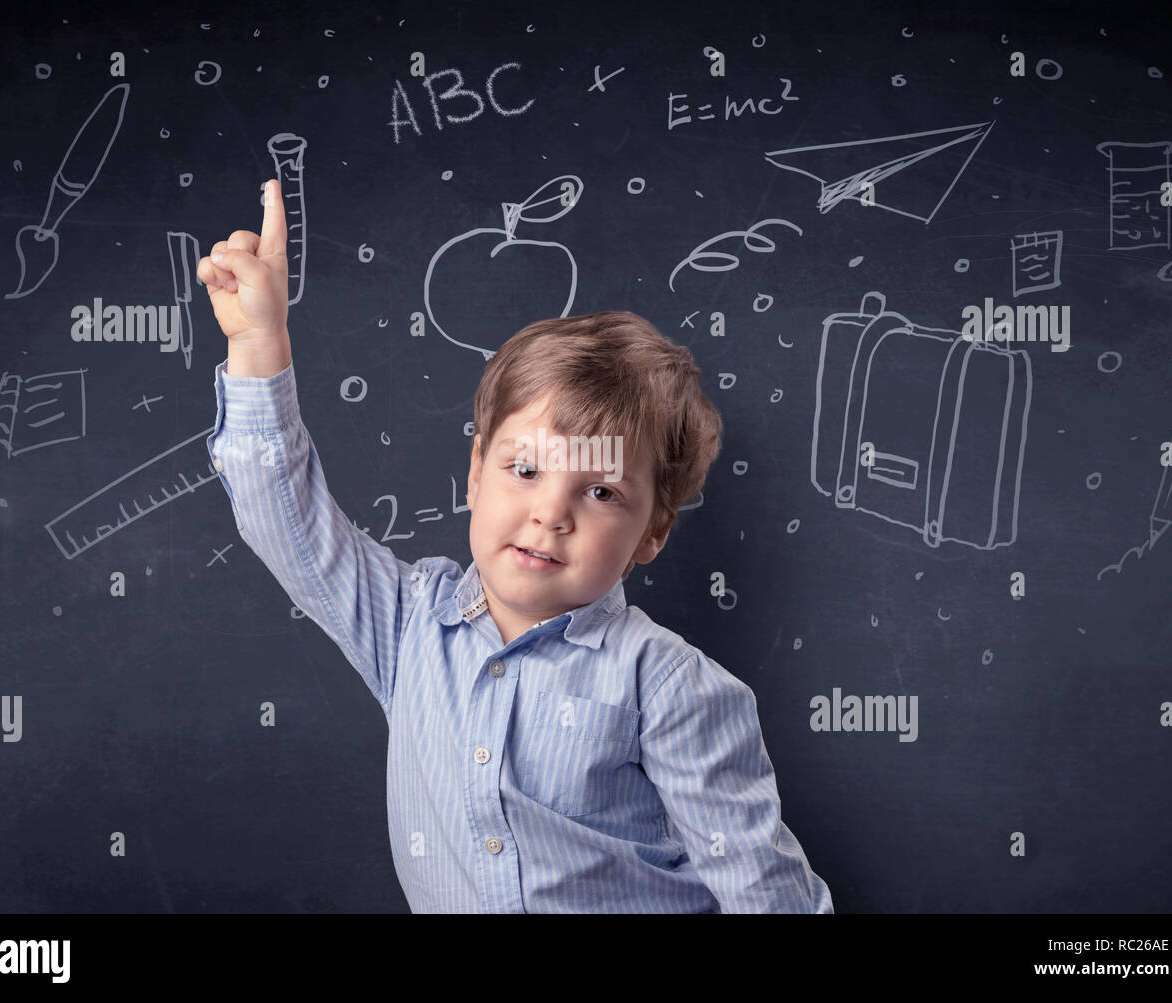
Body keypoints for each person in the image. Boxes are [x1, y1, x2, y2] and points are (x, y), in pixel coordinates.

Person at [197, 178, 833, 913]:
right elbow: (287, 522)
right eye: (524, 470)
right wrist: (257, 342)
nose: (549, 512)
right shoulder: (410, 624)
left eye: (600, 492)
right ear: (475, 472)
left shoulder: (667, 687)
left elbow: (766, 890)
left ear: (652, 531)